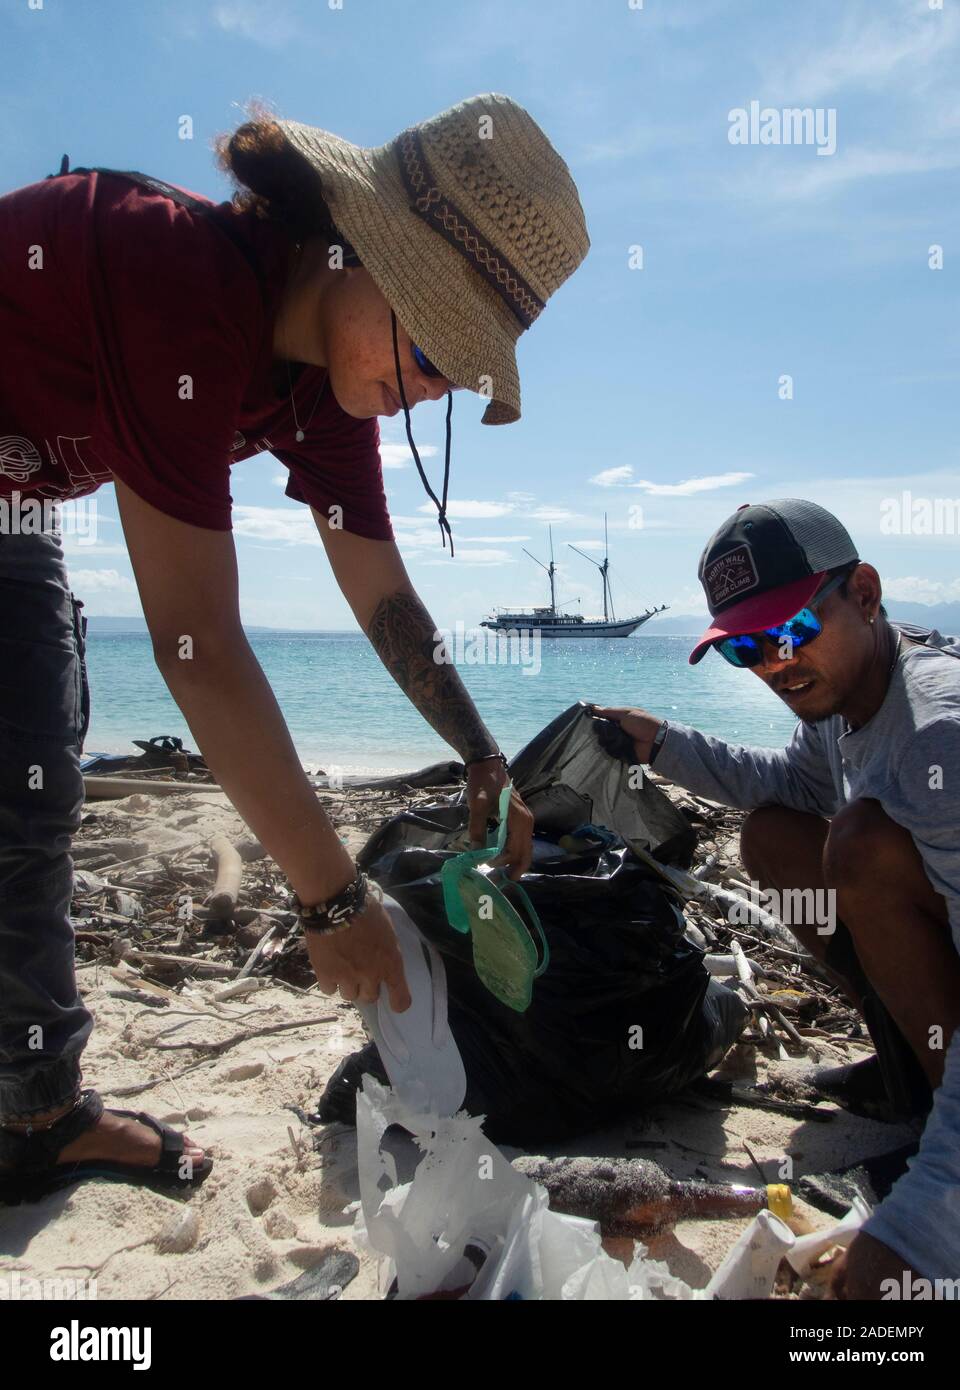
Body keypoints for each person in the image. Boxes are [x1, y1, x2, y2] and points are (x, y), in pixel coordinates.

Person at [0, 93, 589, 1198]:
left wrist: (482, 755)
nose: (430, 388)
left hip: (12, 498)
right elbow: (194, 641)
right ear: (354, 247)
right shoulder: (173, 271)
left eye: (457, 377)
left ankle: (35, 1115)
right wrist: (328, 900)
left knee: (28, 799)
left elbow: (383, 599)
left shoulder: (329, 388)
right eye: (431, 344)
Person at [590, 497, 960, 1298]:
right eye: (745, 651)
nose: (774, 663)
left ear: (864, 593)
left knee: (860, 845)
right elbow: (792, 786)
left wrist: (925, 1224)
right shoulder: (844, 701)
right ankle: (914, 1069)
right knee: (775, 834)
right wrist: (661, 743)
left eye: (791, 631)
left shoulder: (940, 736)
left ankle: (945, 1112)